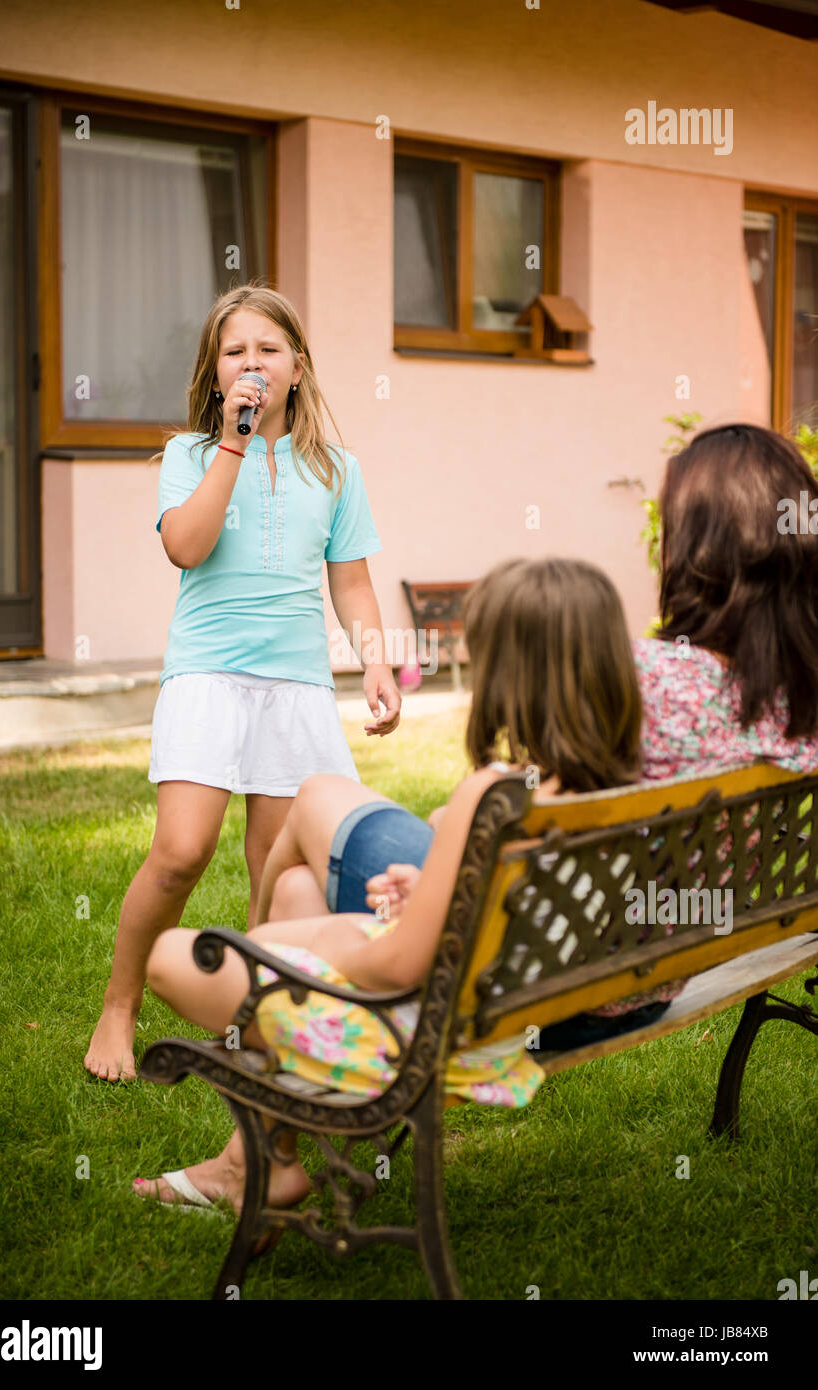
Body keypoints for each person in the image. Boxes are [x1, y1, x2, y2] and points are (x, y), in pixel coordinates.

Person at [258, 421, 818, 1041]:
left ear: (697, 549)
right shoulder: (804, 703)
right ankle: (285, 1092)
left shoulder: (648, 679)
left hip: (530, 976)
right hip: (646, 976)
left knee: (314, 801)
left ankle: (245, 1004)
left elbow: (520, 824)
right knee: (300, 891)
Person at [134, 556, 644, 1213]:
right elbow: (509, 912)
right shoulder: (620, 793)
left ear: (506, 677)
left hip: (428, 1041)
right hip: (500, 1023)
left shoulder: (494, 796)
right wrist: (432, 892)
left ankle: (254, 1161)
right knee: (294, 890)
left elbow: (399, 960)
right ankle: (256, 1165)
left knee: (175, 956)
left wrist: (313, 945)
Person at [85, 284, 401, 1082]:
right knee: (179, 851)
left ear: (298, 367)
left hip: (295, 687)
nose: (252, 363)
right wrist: (231, 444)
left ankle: (257, 1022)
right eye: (235, 352)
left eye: (268, 349)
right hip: (207, 674)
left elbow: (352, 584)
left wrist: (373, 655)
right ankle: (118, 1007)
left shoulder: (335, 468)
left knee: (277, 871)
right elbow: (185, 548)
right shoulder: (190, 455)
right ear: (215, 375)